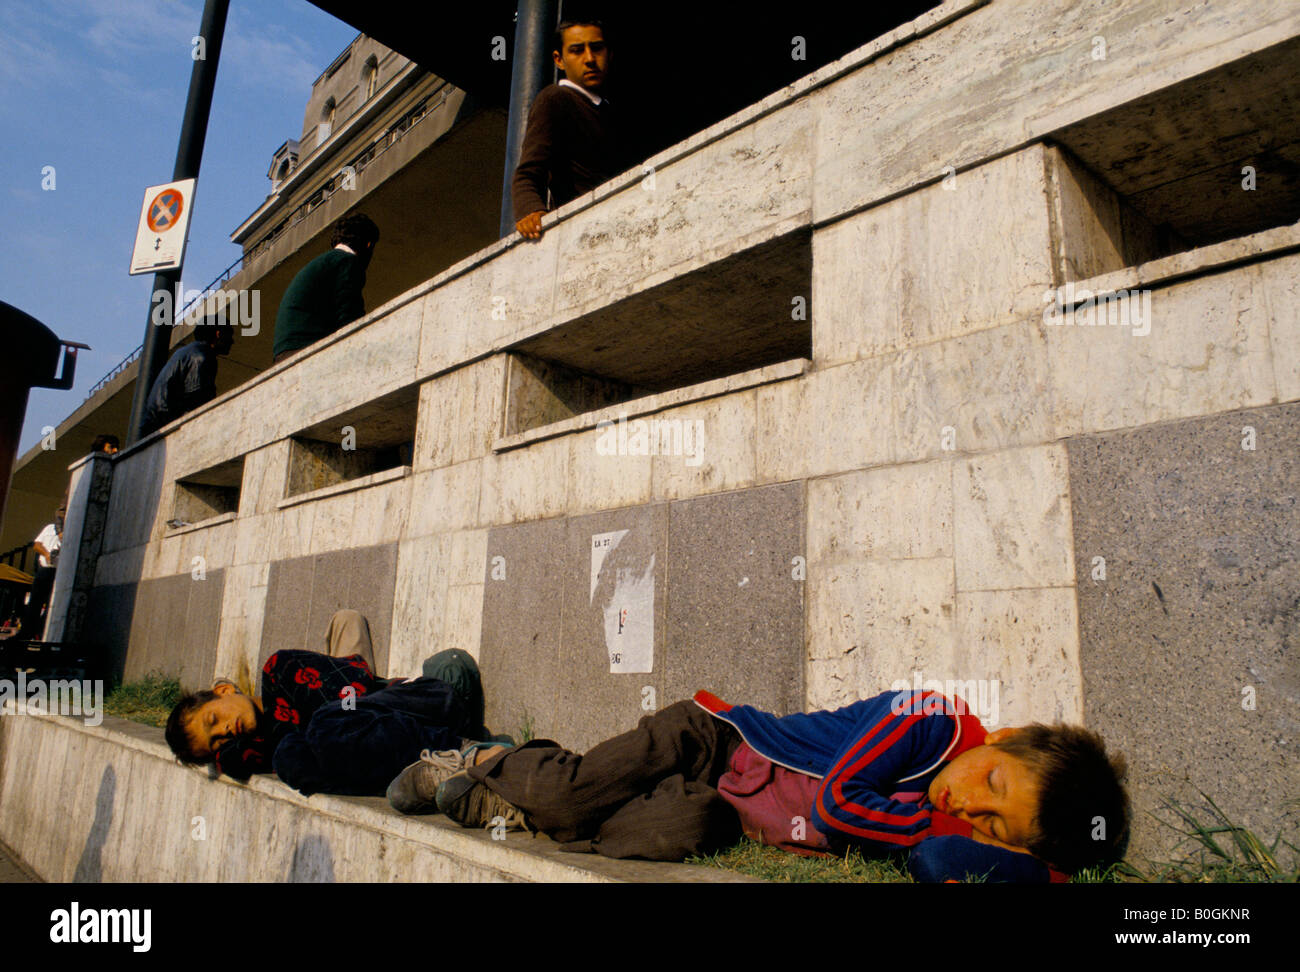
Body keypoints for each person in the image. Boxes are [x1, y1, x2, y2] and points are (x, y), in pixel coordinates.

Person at [430, 688, 1130, 882]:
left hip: (722, 809)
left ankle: (522, 806)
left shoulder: (941, 820)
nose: (969, 805)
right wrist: (936, 832)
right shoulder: (931, 719)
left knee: (667, 834)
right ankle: (494, 761)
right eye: (995, 782)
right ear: (1005, 739)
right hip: (713, 740)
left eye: (993, 824)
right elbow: (837, 802)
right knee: (572, 796)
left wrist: (1024, 868)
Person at [164, 609, 497, 797]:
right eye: (216, 742)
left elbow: (356, 692)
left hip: (424, 703)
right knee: (293, 757)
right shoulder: (270, 749)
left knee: (327, 725)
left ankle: (475, 750)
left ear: (223, 691)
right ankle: (443, 767)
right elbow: (232, 761)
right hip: (395, 749)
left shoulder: (278, 671)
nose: (225, 731)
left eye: (213, 720)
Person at [512, 19, 626, 240]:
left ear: (609, 54)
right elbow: (528, 173)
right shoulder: (555, 99)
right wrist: (531, 211)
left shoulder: (613, 112)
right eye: (577, 51)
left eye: (596, 48)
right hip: (581, 231)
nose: (590, 59)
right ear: (559, 60)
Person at [272, 213, 380, 362]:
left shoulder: (326, 261)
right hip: (305, 347)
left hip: (285, 352)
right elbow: (350, 318)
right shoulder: (347, 261)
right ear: (368, 244)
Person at [140, 321, 235, 435]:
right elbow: (199, 403)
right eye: (230, 336)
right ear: (218, 334)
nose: (232, 341)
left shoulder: (186, 351)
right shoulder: (202, 356)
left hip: (154, 425)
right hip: (165, 428)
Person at [18, 521, 60, 639]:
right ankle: (26, 633)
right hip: (44, 570)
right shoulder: (50, 528)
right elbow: (37, 544)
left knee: (51, 605)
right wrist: (46, 554)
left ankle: (42, 634)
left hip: (59, 571)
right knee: (35, 603)